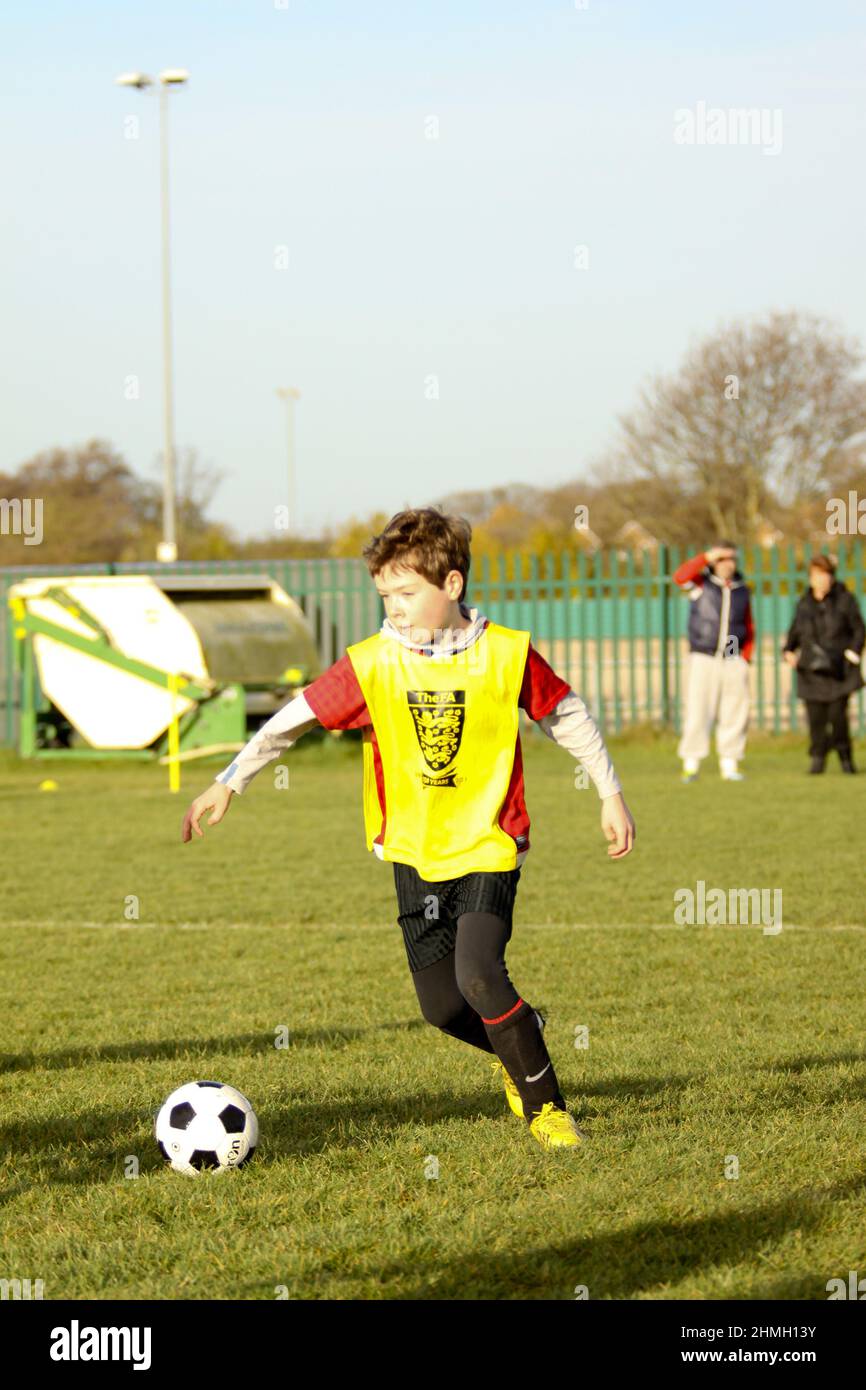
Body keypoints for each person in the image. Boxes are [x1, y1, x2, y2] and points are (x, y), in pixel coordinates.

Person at [182, 507, 636, 1152]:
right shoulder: (371, 664)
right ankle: (518, 1036)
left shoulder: (506, 654)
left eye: (407, 592)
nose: (393, 607)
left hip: (489, 844)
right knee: (443, 1008)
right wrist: (230, 781)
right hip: (413, 852)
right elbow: (293, 718)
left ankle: (548, 1110)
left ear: (451, 585)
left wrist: (609, 792)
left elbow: (566, 715)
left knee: (480, 976)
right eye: (385, 595)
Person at [673, 540, 755, 783]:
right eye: (722, 559)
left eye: (731, 559)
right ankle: (691, 763)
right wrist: (707, 556)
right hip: (704, 653)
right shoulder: (701, 584)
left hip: (731, 655)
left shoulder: (741, 589)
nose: (727, 564)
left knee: (734, 710)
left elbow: (748, 624)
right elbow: (680, 576)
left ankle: (729, 763)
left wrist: (745, 656)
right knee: (698, 709)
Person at [782, 552, 864, 774]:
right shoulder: (804, 604)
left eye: (826, 575)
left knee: (838, 718)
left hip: (838, 671)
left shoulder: (845, 600)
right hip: (811, 671)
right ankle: (818, 758)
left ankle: (845, 758)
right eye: (818, 575)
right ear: (810, 578)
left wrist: (851, 655)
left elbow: (858, 630)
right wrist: (788, 651)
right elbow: (795, 633)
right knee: (816, 721)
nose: (823, 580)